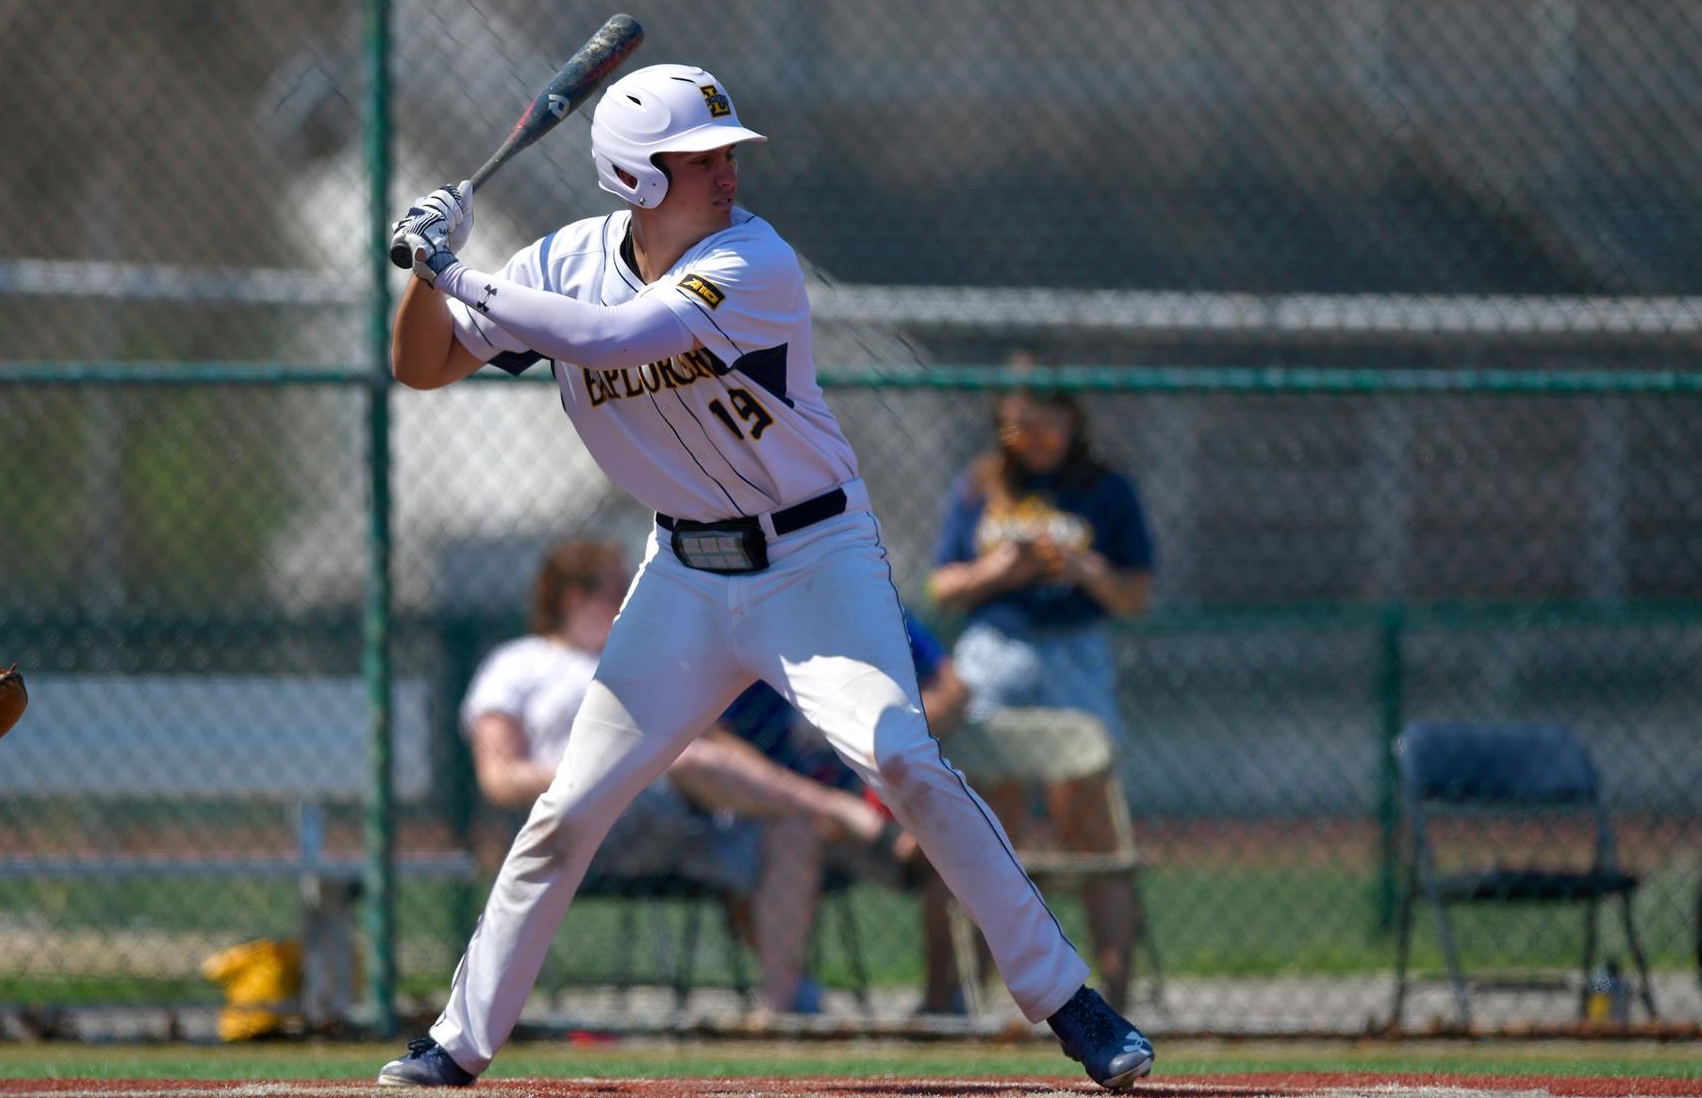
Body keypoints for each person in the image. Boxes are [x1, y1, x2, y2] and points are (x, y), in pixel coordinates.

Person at [376, 62, 1153, 1090]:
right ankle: (454, 1045)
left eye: (723, 155)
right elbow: (421, 365)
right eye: (696, 161)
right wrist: (426, 277)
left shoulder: (755, 260)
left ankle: (1066, 999)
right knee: (567, 809)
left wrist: (465, 270)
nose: (723, 174)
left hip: (811, 560)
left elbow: (622, 336)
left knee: (905, 761)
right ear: (635, 179)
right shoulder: (559, 263)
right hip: (683, 574)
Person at [465, 538, 904, 1017]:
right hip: (585, 826)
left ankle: (781, 1007)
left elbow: (715, 743)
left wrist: (768, 786)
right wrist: (606, 766)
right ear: (575, 599)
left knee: (793, 828)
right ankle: (841, 809)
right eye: (618, 591)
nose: (632, 601)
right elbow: (499, 778)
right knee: (683, 761)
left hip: (684, 825)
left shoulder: (645, 658)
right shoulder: (517, 663)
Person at [926, 375, 1155, 1012]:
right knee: (978, 823)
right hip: (996, 649)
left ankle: (1114, 996)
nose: (1036, 438)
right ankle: (951, 996)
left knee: (1089, 824)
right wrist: (1002, 569)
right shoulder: (981, 485)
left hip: (1074, 651)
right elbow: (941, 586)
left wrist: (1080, 566)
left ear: (1073, 422)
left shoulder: (1106, 491)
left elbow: (1135, 596)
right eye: (1020, 425)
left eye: (1049, 423)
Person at [716, 610, 974, 1016]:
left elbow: (954, 691)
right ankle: (786, 1003)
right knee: (791, 835)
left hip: (881, 798)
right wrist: (796, 795)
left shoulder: (871, 605)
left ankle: (941, 1006)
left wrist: (891, 738)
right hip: (788, 809)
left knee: (946, 835)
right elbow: (716, 737)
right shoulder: (755, 627)